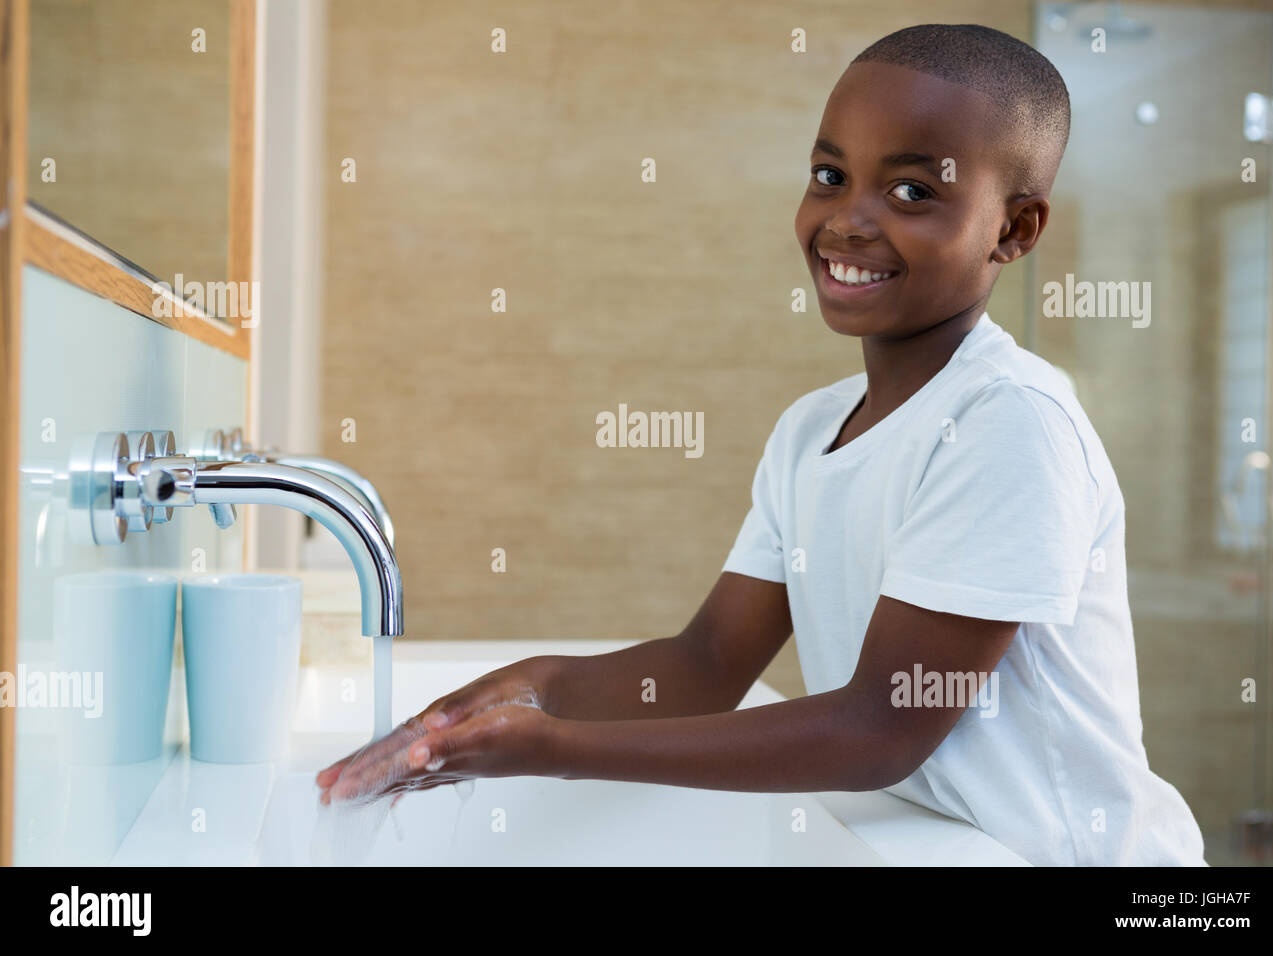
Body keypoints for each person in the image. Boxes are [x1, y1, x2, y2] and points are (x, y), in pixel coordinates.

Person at [317, 23, 1206, 866]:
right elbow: (705, 665)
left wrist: (556, 746)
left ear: (1014, 230)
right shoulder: (811, 433)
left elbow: (880, 728)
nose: (849, 221)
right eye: (829, 174)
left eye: (912, 192)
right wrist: (528, 688)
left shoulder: (1011, 424)